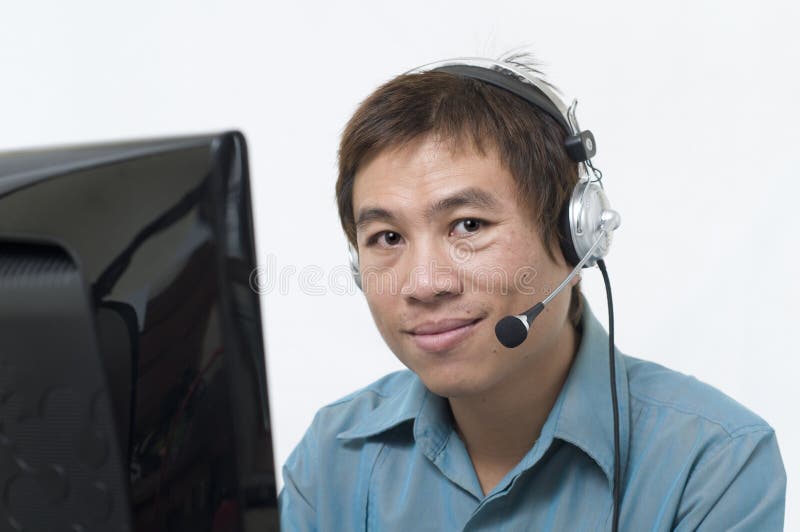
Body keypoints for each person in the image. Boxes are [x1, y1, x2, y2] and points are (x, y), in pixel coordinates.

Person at [278, 54, 787, 531]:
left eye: (468, 225)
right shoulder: (331, 458)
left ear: (576, 238)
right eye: (388, 238)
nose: (423, 284)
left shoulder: (713, 464)